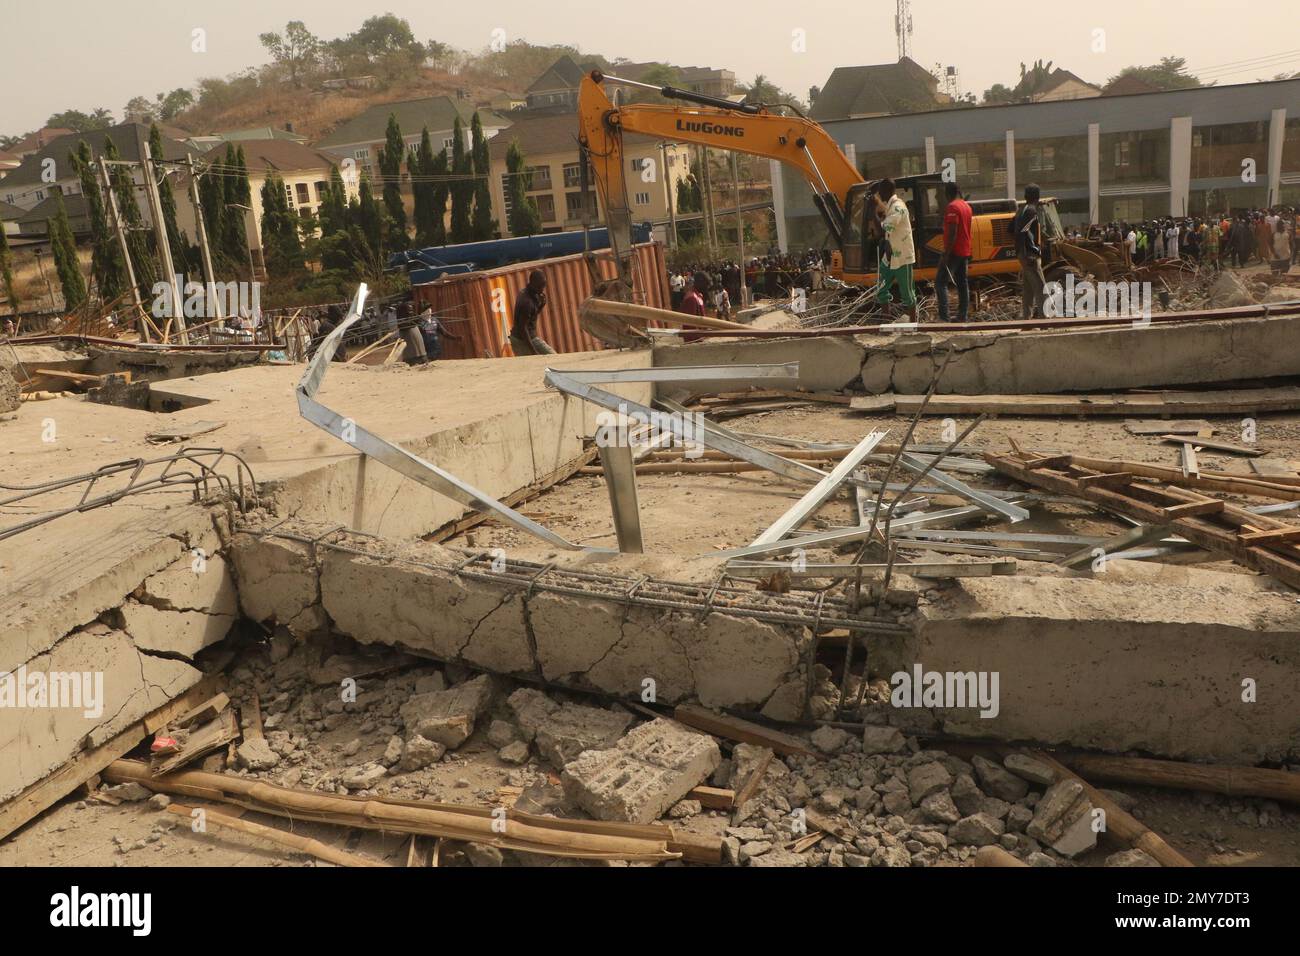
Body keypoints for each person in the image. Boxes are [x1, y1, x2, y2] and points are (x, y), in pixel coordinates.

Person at [873, 178, 917, 321]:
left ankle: (913, 324)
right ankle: (886, 319)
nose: (879, 194)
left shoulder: (898, 207)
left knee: (907, 293)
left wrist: (874, 214)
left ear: (886, 191)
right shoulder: (890, 207)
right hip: (890, 257)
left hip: (902, 257)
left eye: (880, 191)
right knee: (881, 289)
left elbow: (887, 226)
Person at [936, 182, 972, 323]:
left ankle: (944, 318)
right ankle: (962, 316)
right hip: (964, 251)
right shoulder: (966, 206)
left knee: (940, 282)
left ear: (948, 193)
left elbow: (952, 232)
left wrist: (946, 253)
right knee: (962, 283)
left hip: (954, 251)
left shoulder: (952, 207)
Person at [1013, 183, 1047, 320]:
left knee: (1028, 289)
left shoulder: (1020, 210)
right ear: (1037, 197)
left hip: (1022, 254)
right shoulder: (1032, 211)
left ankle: (1026, 317)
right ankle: (1045, 318)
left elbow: (1011, 229)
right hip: (1030, 255)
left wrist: (1019, 250)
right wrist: (1028, 252)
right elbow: (1023, 231)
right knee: (1040, 286)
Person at [510, 270, 554, 356]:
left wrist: (541, 305)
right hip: (521, 340)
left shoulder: (527, 292)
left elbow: (532, 316)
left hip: (524, 337)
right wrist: (534, 352)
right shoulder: (527, 302)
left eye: (543, 285)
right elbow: (523, 328)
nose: (542, 289)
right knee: (552, 357)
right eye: (540, 286)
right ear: (533, 283)